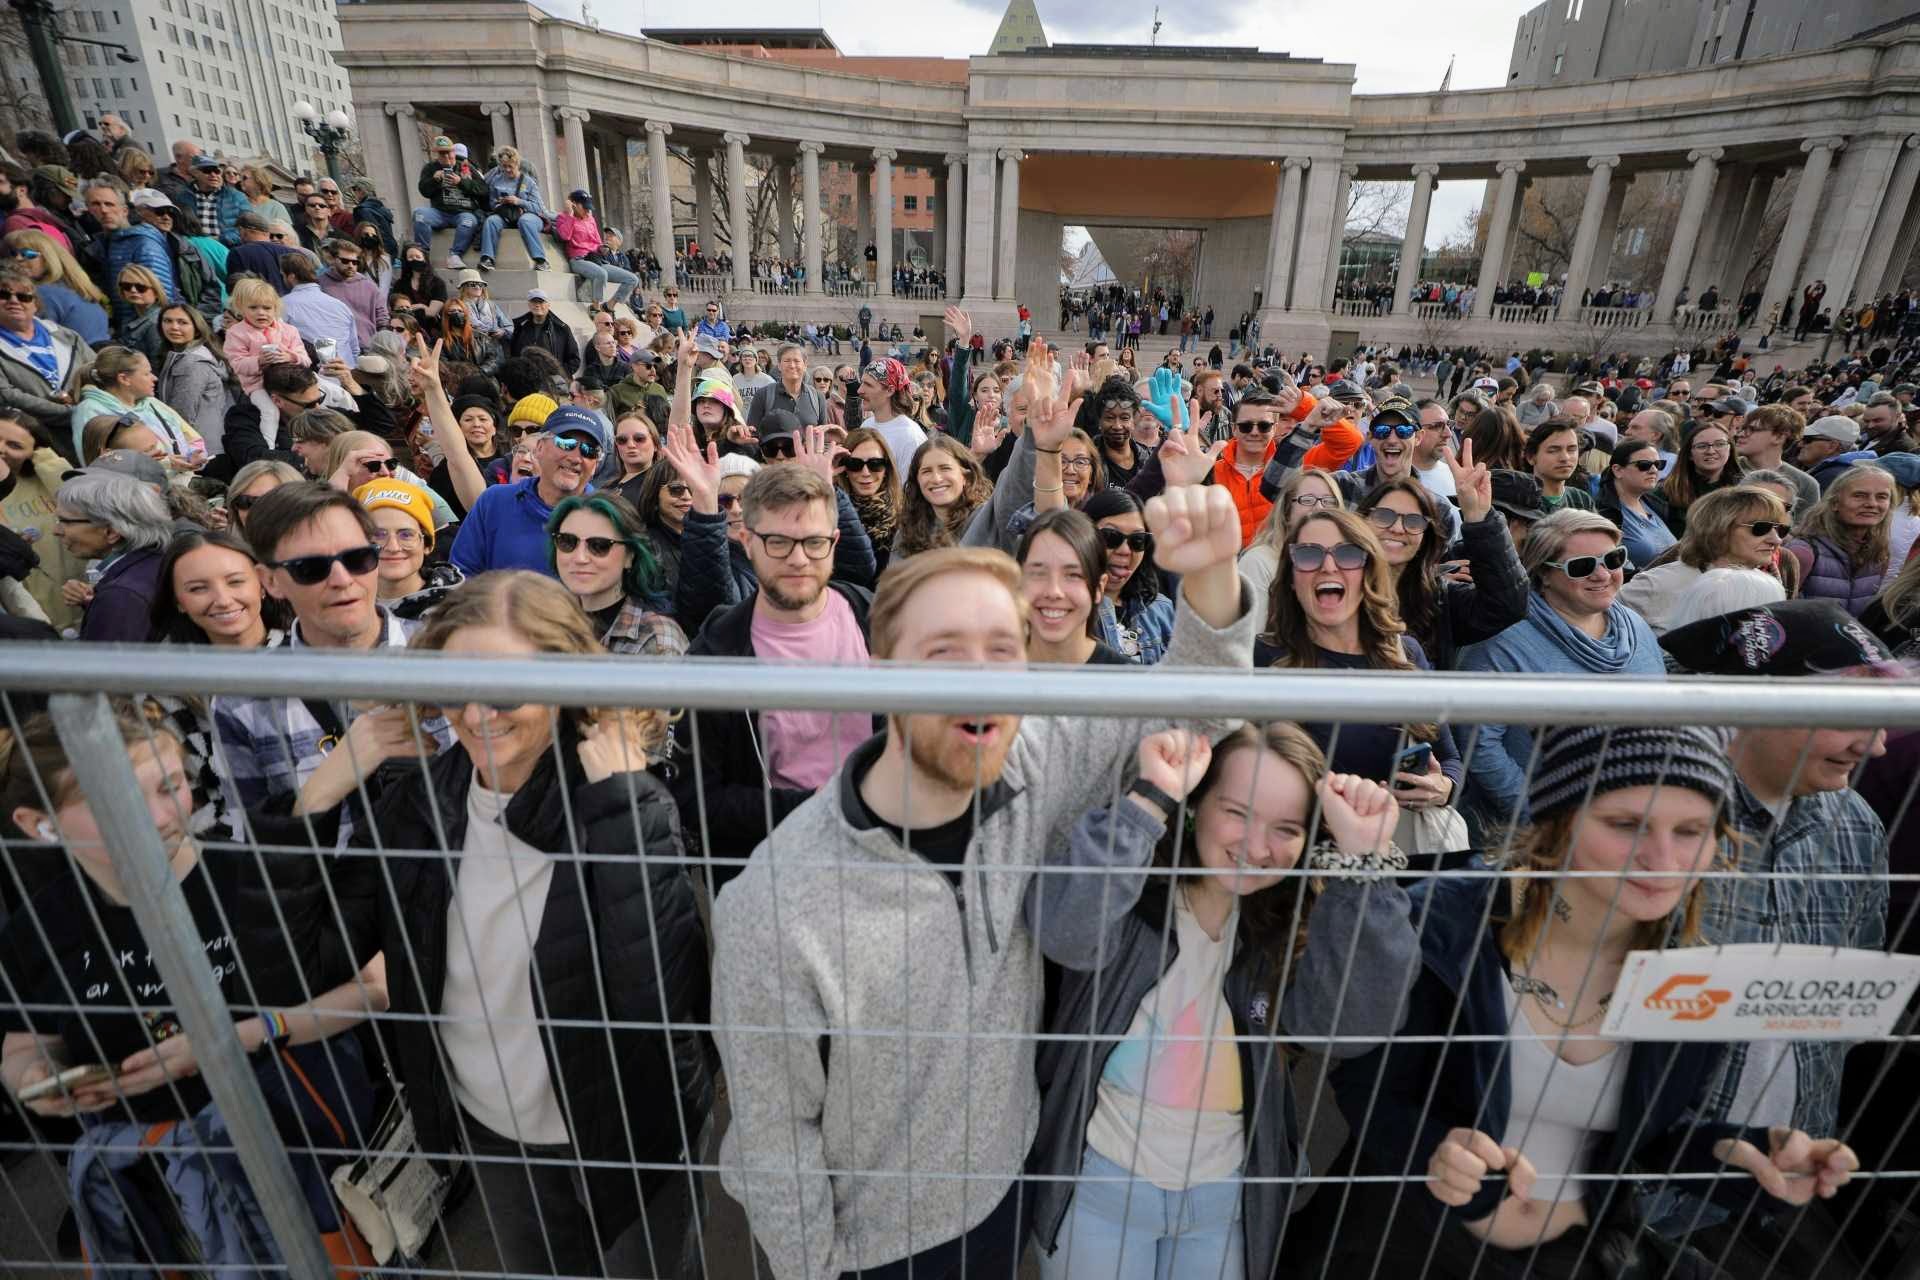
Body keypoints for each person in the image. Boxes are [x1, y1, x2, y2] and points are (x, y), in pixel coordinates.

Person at [712, 483, 1257, 1280]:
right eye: (945, 653)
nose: (981, 680)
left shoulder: (1030, 769)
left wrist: (1212, 574)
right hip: (873, 1246)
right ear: (882, 668)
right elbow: (771, 1132)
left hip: (1005, 1190)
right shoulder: (775, 900)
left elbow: (1193, 710)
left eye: (1003, 651)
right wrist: (813, 1265)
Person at [244, 571, 713, 1280]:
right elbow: (303, 962)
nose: (477, 713)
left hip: (621, 1138)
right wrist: (318, 797)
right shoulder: (420, 803)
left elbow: (657, 997)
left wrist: (622, 814)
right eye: (456, 687)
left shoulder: (622, 803)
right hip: (489, 1132)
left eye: (503, 688)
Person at [1333, 722, 1858, 1280]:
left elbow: (1651, 1136)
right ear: (1558, 824)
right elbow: (1364, 1087)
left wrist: (1748, 1159)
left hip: (1579, 1257)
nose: (1663, 859)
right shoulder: (1445, 923)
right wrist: (1432, 1152)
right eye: (1626, 824)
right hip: (1404, 1248)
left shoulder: (1691, 976)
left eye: (1692, 831)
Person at [0, 703, 382, 1271]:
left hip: (312, 1171)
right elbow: (22, 1042)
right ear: (39, 825)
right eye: (116, 800)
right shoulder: (37, 929)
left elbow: (373, 988)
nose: (159, 815)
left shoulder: (249, 877)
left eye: (170, 785)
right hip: (165, 1198)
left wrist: (242, 1037)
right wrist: (35, 1077)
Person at [1029, 724, 1414, 1280]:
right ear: (1196, 806)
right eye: (1237, 812)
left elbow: (1350, 1030)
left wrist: (1365, 869)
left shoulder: (1284, 934)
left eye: (1285, 828)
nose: (1257, 848)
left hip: (1223, 1203)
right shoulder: (1129, 898)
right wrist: (1148, 801)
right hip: (1098, 1188)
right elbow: (1066, 931)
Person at [212, 482, 454, 843]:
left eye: (358, 559)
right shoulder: (243, 700)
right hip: (329, 895)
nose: (343, 580)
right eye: (311, 568)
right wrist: (327, 785)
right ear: (271, 582)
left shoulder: (450, 659)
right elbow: (258, 857)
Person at [670, 461, 874, 889]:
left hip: (881, 856)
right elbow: (698, 799)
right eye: (778, 541)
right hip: (772, 871)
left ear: (834, 543)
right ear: (747, 541)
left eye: (814, 542)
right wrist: (810, 805)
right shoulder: (717, 652)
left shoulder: (878, 622)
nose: (798, 559)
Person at [1459, 509, 1665, 839]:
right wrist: (1540, 818)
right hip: (1543, 838)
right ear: (1544, 574)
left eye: (1613, 559)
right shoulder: (1503, 641)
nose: (1602, 574)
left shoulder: (1636, 626)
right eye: (1582, 566)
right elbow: (1480, 747)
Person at [1256, 504, 1465, 818]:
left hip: (1395, 855)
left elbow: (1450, 760)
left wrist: (1443, 787)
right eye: (1309, 554)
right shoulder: (1265, 657)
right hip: (1300, 856)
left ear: (1369, 571)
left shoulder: (1405, 654)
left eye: (1348, 555)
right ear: (1290, 577)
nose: (1328, 567)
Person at [1357, 447, 1528, 670]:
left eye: (1413, 521)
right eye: (1383, 516)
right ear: (1362, 521)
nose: (1398, 528)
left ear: (1426, 536)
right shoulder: (1335, 585)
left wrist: (1478, 517)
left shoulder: (1438, 599)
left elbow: (1508, 605)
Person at [450, 403, 604, 576]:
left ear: (595, 466)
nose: (576, 458)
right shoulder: (494, 502)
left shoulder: (607, 518)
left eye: (588, 451)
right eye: (565, 443)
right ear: (539, 448)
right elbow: (462, 575)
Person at [1617, 485, 1797, 632]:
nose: (1776, 539)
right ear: (1718, 529)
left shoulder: (1768, 583)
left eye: (1780, 529)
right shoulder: (1659, 583)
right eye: (1761, 528)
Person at [547, 490, 688, 656]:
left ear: (630, 556)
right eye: (567, 542)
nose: (580, 558)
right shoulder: (547, 621)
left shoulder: (657, 639)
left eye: (599, 545)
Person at [51, 469, 173, 641]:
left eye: (66, 522)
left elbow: (106, 665)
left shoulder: (122, 595)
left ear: (111, 532)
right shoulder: (154, 564)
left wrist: (108, 605)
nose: (56, 531)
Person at [1016, 506, 1133, 664]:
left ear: (1099, 587)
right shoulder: (989, 675)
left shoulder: (1130, 682)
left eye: (1073, 575)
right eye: (1038, 573)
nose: (1053, 591)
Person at [1784, 461, 1895, 617]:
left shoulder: (1879, 553)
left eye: (1882, 497)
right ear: (1835, 503)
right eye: (1859, 495)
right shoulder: (1803, 552)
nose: (1871, 503)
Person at [1081, 488, 1174, 663]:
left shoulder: (1161, 609)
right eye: (1110, 537)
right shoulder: (1069, 608)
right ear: (1084, 537)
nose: (1125, 550)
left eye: (1137, 540)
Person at [0, 265, 93, 438]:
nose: (14, 301)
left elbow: (96, 371)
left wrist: (87, 403)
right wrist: (71, 412)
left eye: (23, 297)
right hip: (33, 436)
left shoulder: (68, 336)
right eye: (4, 295)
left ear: (35, 304)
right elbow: (6, 394)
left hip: (88, 428)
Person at [68, 344, 202, 462]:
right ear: (124, 379)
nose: (154, 378)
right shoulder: (89, 410)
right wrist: (168, 464)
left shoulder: (151, 403)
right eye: (147, 374)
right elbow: (94, 461)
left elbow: (190, 436)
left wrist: (192, 457)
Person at [355, 476, 461, 619]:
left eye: (406, 535)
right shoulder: (342, 606)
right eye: (378, 535)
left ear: (427, 544)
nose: (393, 547)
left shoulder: (459, 611)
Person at [1239, 465, 1342, 605]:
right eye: (1307, 500)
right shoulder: (1259, 562)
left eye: (1329, 501)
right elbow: (1251, 626)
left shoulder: (1345, 563)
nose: (1319, 508)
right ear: (1286, 512)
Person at [894, 434, 991, 559]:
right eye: (927, 471)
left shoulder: (985, 518)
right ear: (917, 481)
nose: (936, 479)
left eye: (945, 468)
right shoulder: (907, 530)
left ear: (966, 477)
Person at [4, 226, 108, 343]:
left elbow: (37, 343)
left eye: (27, 254)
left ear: (48, 258)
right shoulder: (77, 286)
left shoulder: (43, 293)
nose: (18, 259)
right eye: (13, 253)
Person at [153, 303, 234, 451]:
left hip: (199, 450)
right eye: (167, 321)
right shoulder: (184, 355)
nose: (174, 327)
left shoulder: (192, 363)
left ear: (197, 329)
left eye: (182, 322)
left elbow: (181, 415)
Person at [410, 134, 486, 266]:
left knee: (469, 221)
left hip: (462, 212)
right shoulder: (430, 168)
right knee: (419, 214)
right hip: (440, 213)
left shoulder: (465, 166)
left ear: (454, 151)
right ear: (437, 155)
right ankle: (423, 254)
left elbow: (483, 189)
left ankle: (455, 255)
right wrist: (434, 180)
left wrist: (461, 181)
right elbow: (424, 191)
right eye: (442, 154)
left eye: (448, 153)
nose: (446, 157)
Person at [554, 190, 639, 307]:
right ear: (573, 204)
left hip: (597, 259)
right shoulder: (563, 217)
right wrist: (570, 215)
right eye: (585, 207)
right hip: (579, 260)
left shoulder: (590, 219)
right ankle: (595, 307)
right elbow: (564, 236)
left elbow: (597, 241)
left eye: (589, 208)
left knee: (632, 279)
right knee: (601, 274)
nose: (588, 210)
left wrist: (602, 248)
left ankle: (610, 305)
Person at [834, 424, 899, 576]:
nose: (865, 473)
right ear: (844, 469)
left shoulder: (906, 516)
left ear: (887, 468)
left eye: (875, 464)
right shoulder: (830, 514)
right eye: (855, 465)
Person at [1735, 402, 1821, 514]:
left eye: (1752, 429)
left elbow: (1803, 530)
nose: (1741, 434)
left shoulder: (1806, 484)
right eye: (1742, 428)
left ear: (1779, 437)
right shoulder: (1723, 468)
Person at [1662, 415, 1740, 537]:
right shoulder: (1667, 492)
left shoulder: (1744, 488)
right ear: (1689, 454)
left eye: (1719, 444)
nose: (1711, 451)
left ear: (1730, 449)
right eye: (1702, 446)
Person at [477, 144, 550, 272]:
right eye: (504, 167)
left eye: (510, 166)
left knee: (525, 221)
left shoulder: (528, 182)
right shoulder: (497, 180)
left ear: (517, 164)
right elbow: (492, 203)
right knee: (491, 221)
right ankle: (487, 258)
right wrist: (500, 203)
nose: (508, 170)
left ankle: (541, 260)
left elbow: (538, 207)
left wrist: (519, 201)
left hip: (528, 215)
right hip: (506, 215)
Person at [279, 250, 359, 366]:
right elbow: (354, 349)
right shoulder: (340, 305)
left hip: (314, 377)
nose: (282, 279)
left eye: (282, 275)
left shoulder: (283, 305)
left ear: (291, 277)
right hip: (347, 371)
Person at [856, 355, 928, 472]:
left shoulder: (911, 437)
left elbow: (909, 488)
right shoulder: (866, 426)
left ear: (890, 390)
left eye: (868, 385)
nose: (860, 390)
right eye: (862, 383)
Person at [316, 236, 387, 350]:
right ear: (333, 259)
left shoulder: (369, 285)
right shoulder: (320, 284)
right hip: (335, 348)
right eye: (345, 261)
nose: (351, 265)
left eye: (355, 262)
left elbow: (382, 317)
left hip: (367, 347)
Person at [1525, 417, 1595, 513]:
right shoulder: (1517, 502)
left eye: (1571, 449)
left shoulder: (1581, 500)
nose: (1565, 458)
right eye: (1553, 450)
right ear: (1531, 457)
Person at [508, 289, 580, 369]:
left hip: (552, 379)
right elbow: (513, 355)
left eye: (541, 301)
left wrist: (559, 375)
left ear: (548, 304)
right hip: (527, 378)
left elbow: (574, 360)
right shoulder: (520, 327)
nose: (537, 305)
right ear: (529, 305)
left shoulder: (562, 329)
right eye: (534, 302)